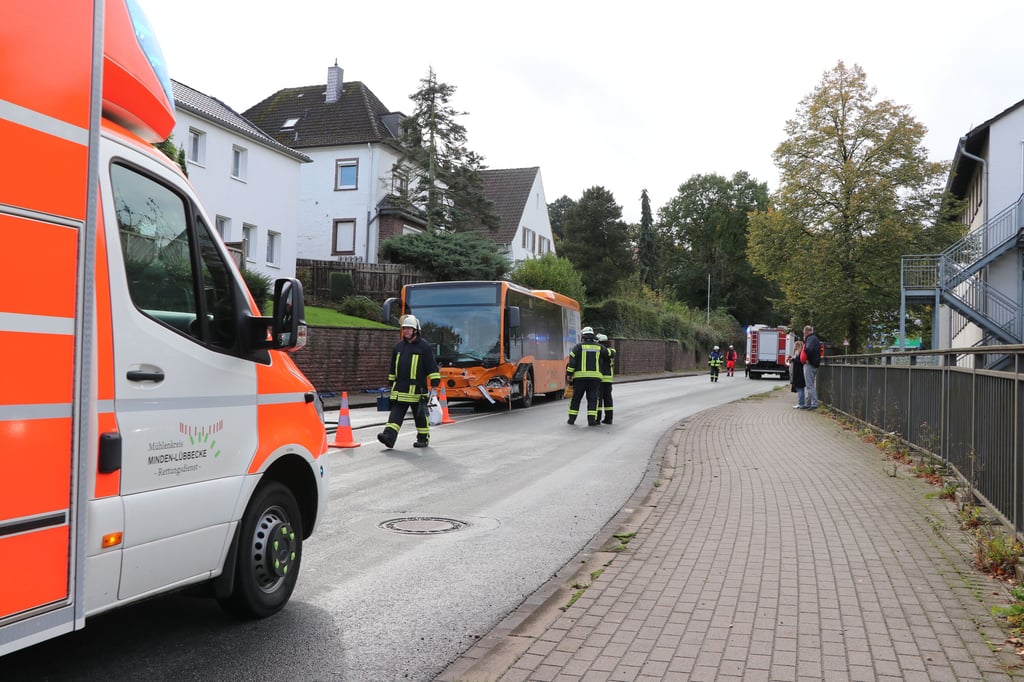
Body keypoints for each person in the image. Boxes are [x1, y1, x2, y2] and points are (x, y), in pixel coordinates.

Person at [377, 314, 441, 448]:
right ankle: (389, 437)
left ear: (415, 330)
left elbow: (431, 365)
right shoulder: (399, 347)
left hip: (417, 390)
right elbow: (393, 365)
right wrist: (391, 379)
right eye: (404, 328)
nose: (406, 331)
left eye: (409, 328)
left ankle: (423, 438)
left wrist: (435, 380)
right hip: (400, 389)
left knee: (420, 417)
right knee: (395, 415)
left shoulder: (424, 347)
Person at [566, 326, 608, 426]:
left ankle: (571, 419)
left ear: (583, 336)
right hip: (595, 379)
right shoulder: (600, 347)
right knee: (593, 399)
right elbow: (608, 355)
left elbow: (572, 363)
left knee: (576, 399)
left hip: (580, 379)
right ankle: (591, 421)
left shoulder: (577, 347)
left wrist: (569, 374)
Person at [595, 333, 616, 424]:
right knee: (608, 399)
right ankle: (609, 418)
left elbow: (604, 353)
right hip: (608, 379)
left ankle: (597, 419)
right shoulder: (611, 350)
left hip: (600, 379)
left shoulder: (601, 350)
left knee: (599, 399)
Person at [802, 325, 821, 409]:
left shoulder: (810, 339)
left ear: (806, 332)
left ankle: (813, 403)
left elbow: (809, 349)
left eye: (804, 333)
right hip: (814, 363)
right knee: (811, 384)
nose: (804, 335)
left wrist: (807, 359)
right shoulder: (815, 338)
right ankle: (809, 403)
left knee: (809, 385)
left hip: (810, 364)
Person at [790, 339, 807, 408]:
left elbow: (799, 361)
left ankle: (801, 403)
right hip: (800, 374)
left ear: (797, 347)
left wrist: (793, 360)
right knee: (800, 389)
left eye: (795, 346)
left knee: (800, 389)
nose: (794, 348)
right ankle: (801, 403)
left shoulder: (799, 355)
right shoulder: (800, 354)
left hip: (799, 374)